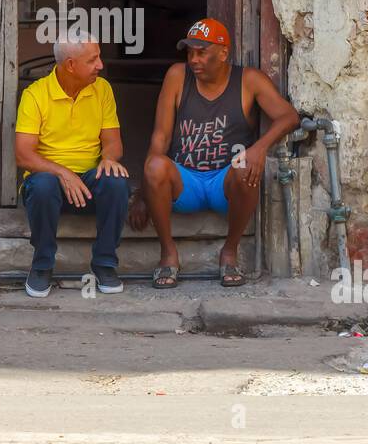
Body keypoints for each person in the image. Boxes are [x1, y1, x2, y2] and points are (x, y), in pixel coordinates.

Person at [128, 18, 299, 288]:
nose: (193, 59)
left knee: (245, 167)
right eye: (189, 53)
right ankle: (168, 254)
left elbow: (289, 116)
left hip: (224, 183)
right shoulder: (177, 75)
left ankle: (229, 252)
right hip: (186, 183)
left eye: (201, 52)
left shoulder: (248, 80)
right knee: (156, 167)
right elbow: (160, 137)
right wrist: (141, 194)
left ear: (223, 53)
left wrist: (259, 148)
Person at [15, 35, 130, 298]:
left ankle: (105, 263)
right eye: (92, 60)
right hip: (49, 186)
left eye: (99, 56)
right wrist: (62, 172)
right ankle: (42, 265)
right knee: (42, 184)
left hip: (88, 183)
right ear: (69, 65)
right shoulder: (35, 95)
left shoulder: (102, 89)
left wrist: (109, 159)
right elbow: (23, 155)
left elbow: (113, 143)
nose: (100, 65)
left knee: (116, 181)